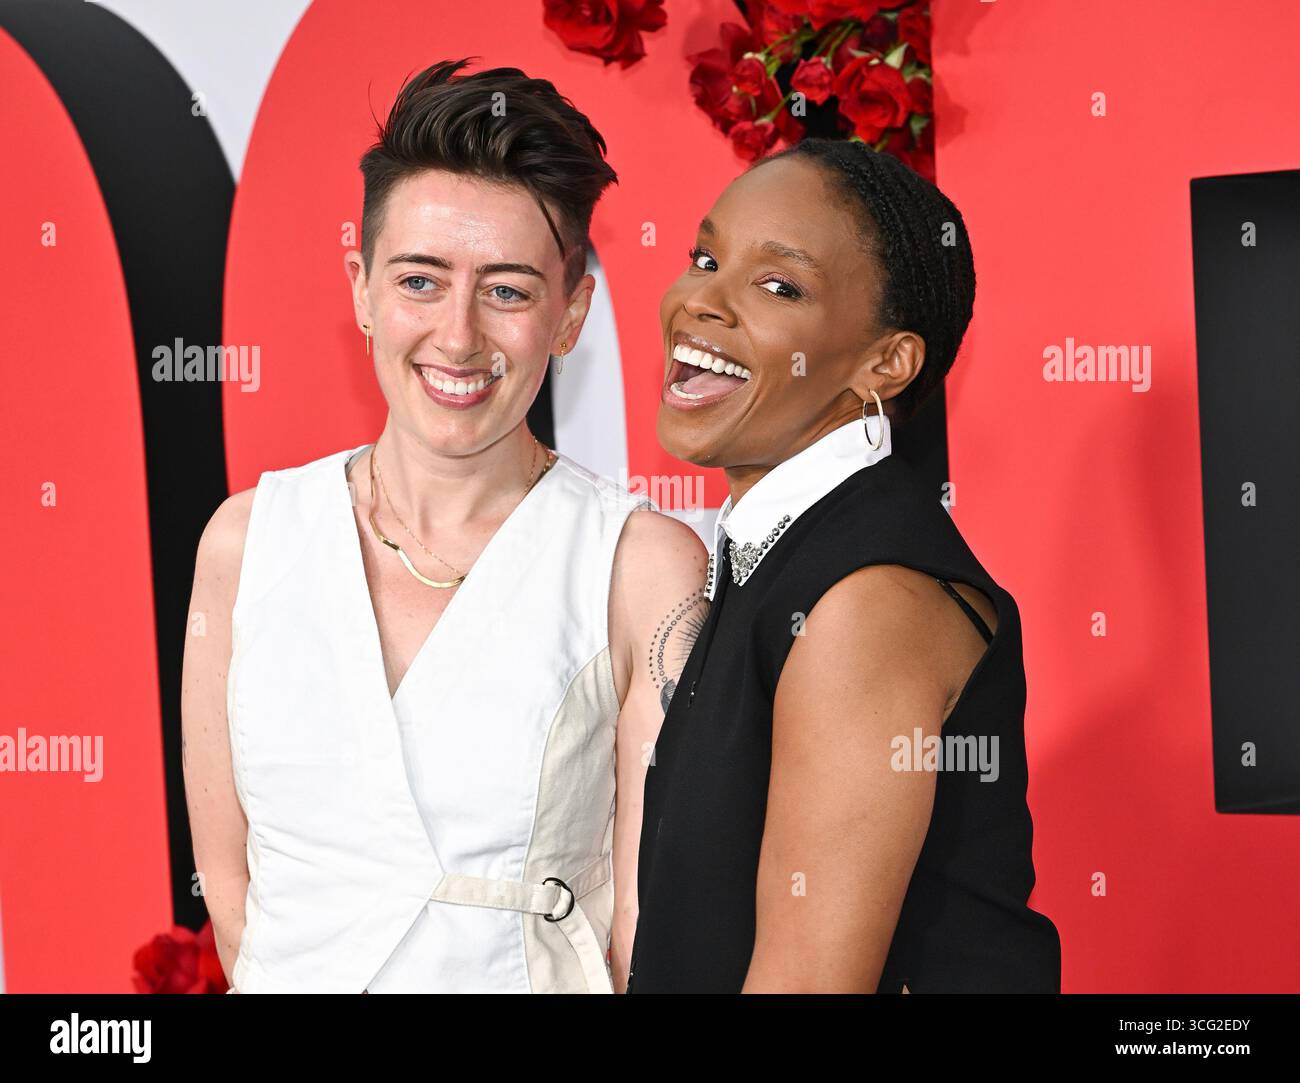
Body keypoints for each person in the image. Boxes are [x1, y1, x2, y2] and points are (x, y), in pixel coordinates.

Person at [180, 59, 707, 993]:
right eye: (420, 281)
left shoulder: (640, 566)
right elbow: (234, 896)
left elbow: (650, 924)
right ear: (361, 288)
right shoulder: (246, 542)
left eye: (506, 290)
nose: (458, 337)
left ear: (571, 310)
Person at [627, 137, 1062, 993]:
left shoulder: (867, 598)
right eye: (706, 257)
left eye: (778, 284)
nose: (703, 302)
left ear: (885, 362)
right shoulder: (780, 553)